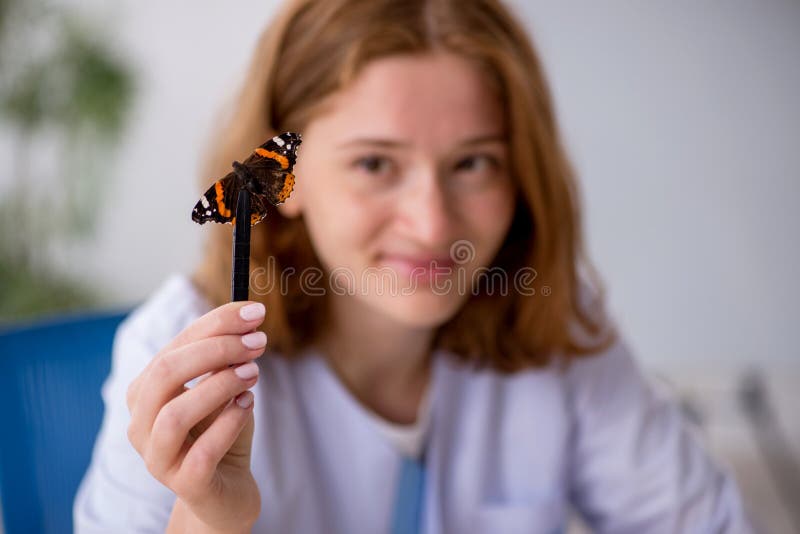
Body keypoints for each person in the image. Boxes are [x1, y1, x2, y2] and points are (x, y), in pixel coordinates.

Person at [73, 0, 754, 532]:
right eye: (375, 164)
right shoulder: (173, 352)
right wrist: (207, 520)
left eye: (473, 163)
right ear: (287, 176)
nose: (432, 225)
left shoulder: (555, 325)